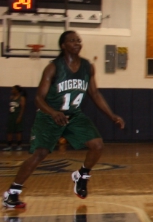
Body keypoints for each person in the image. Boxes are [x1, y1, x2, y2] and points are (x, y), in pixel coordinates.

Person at [3, 31, 124, 210]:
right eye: (72, 40)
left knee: (97, 145)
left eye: (79, 40)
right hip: (49, 116)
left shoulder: (87, 67)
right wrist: (52, 112)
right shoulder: (53, 67)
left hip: (73, 115)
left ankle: (82, 175)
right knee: (40, 154)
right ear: (63, 45)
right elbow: (38, 99)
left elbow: (95, 94)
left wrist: (112, 115)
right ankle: (12, 193)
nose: (77, 43)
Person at [5, 86, 25, 152]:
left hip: (17, 115)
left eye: (13, 89)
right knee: (9, 131)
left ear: (17, 90)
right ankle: (9, 146)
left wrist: (20, 117)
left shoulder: (21, 98)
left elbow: (22, 109)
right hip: (11, 116)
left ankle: (19, 146)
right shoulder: (11, 97)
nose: (12, 90)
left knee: (18, 131)